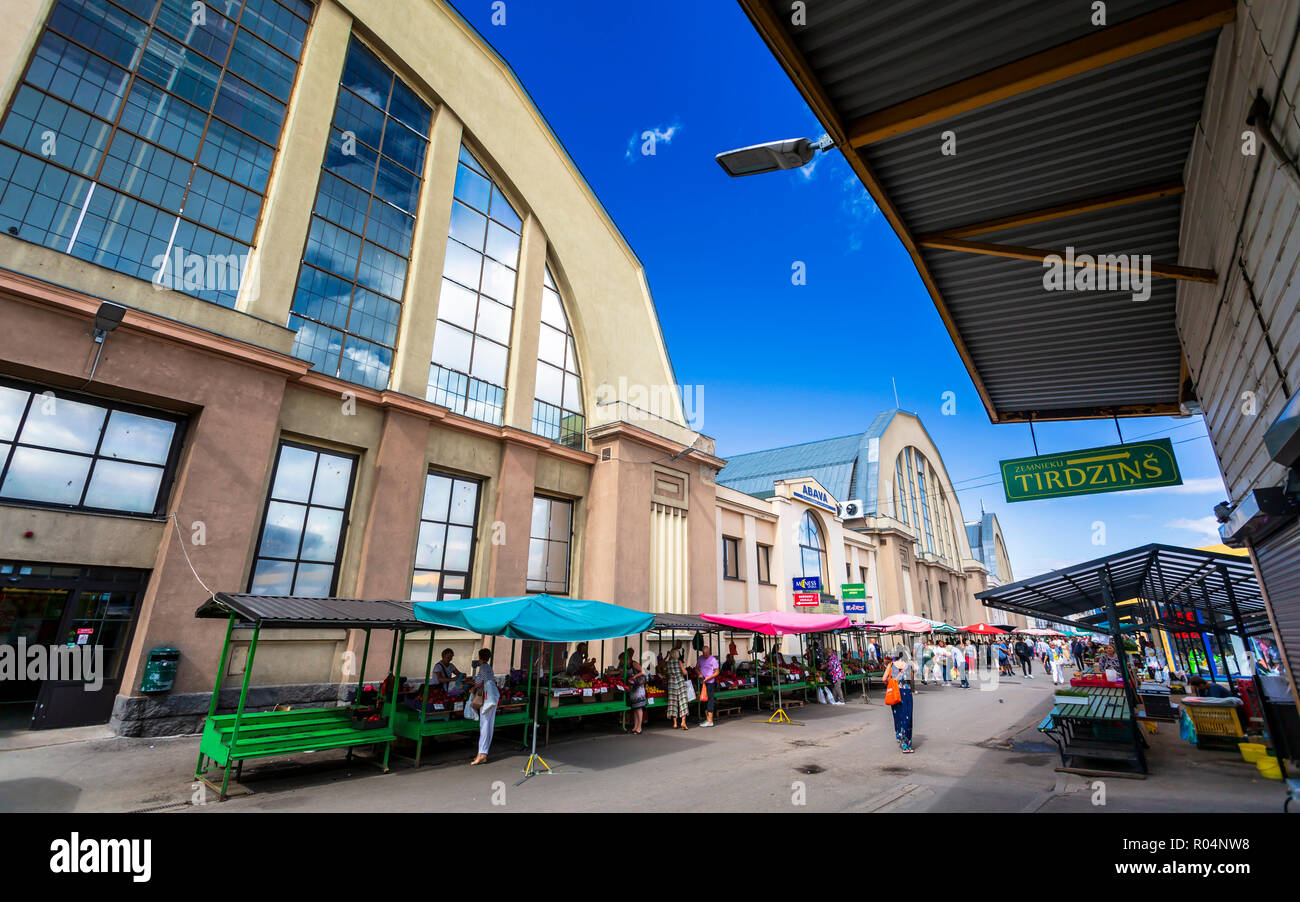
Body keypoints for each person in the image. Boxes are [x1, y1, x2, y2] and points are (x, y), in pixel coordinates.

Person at [468, 648, 499, 766]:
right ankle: (483, 754)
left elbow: (479, 683)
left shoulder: (483, 667)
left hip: (487, 699)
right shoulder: (488, 667)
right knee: (489, 725)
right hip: (493, 697)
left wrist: (472, 688)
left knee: (484, 725)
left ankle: (481, 754)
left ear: (480, 657)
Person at [884, 647, 917, 753]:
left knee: (898, 717)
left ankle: (900, 739)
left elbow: (884, 679)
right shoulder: (908, 666)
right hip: (906, 694)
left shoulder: (890, 665)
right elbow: (911, 680)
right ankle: (906, 744)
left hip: (895, 694)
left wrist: (892, 683)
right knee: (907, 717)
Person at [665, 640, 691, 730]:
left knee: (673, 702)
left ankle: (675, 723)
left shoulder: (668, 663)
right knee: (683, 701)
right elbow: (684, 672)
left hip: (671, 683)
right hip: (680, 682)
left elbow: (667, 673)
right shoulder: (679, 662)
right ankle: (683, 722)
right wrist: (686, 671)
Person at [697, 645, 719, 727]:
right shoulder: (700, 658)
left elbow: (717, 672)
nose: (705, 655)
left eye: (706, 653)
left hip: (710, 683)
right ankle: (707, 719)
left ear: (709, 652)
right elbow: (696, 668)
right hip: (703, 682)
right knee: (703, 700)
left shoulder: (713, 660)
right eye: (704, 653)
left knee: (710, 700)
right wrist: (699, 674)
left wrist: (709, 677)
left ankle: (710, 721)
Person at [627, 657, 647, 733]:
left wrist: (634, 677)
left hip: (638, 689)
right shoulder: (627, 666)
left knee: (638, 708)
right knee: (635, 708)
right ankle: (635, 726)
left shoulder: (634, 663)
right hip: (633, 689)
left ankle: (639, 727)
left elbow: (643, 671)